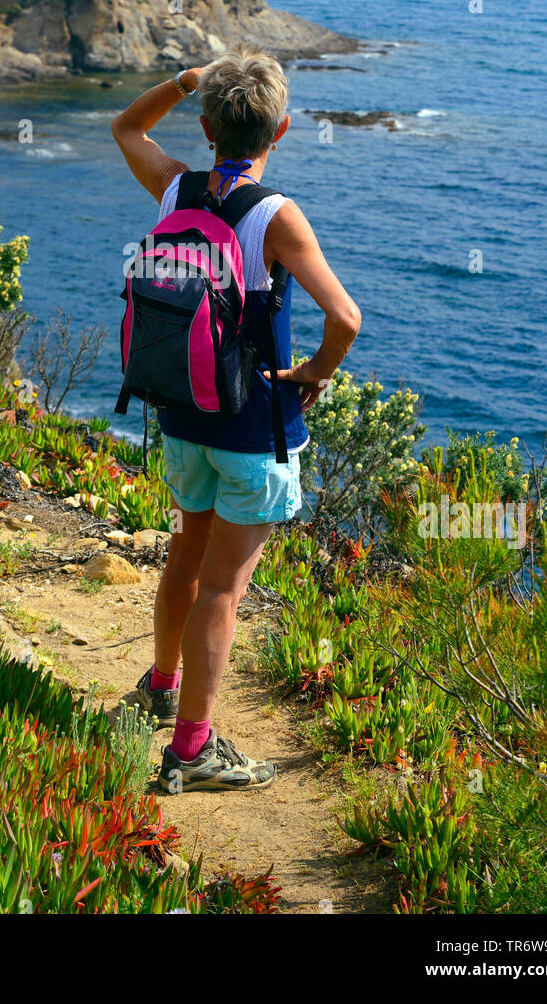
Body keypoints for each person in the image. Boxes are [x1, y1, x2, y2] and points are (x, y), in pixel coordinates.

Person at [110, 45, 361, 792]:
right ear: (279, 132)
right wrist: (315, 371)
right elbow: (343, 317)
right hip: (254, 429)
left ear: (207, 125)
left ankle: (158, 686)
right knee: (222, 587)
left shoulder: (174, 191)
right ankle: (192, 749)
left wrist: (187, 80)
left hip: (182, 415)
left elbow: (127, 128)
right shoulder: (275, 217)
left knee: (186, 556)